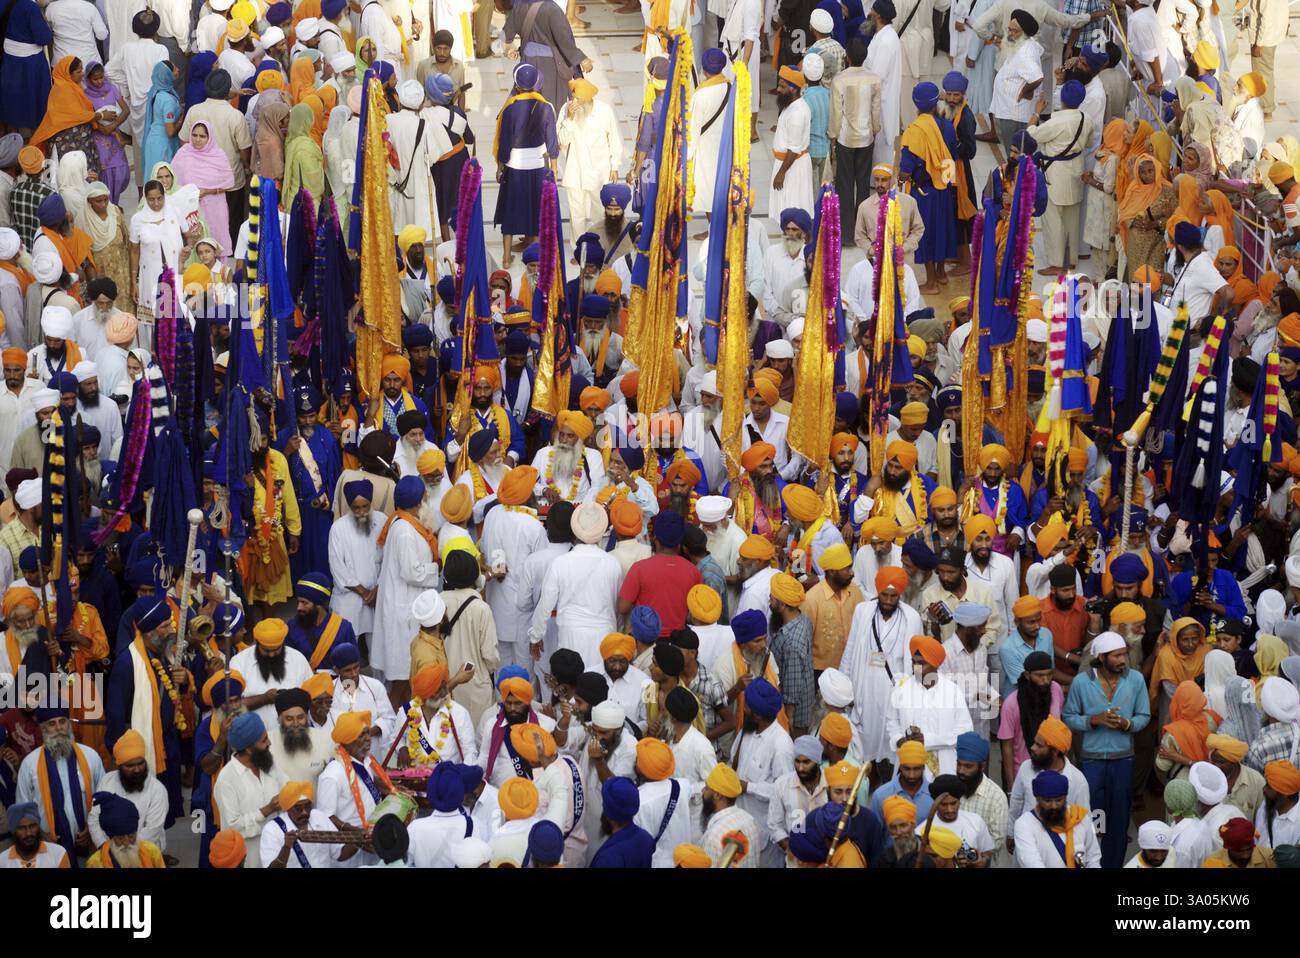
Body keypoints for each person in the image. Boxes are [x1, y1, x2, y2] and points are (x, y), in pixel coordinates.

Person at [556, 78, 622, 241]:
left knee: (599, 212)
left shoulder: (604, 111)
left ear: (588, 99)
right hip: (575, 170)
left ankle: (599, 246)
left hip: (599, 171)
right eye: (574, 98)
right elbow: (561, 141)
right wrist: (569, 119)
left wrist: (615, 165)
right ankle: (578, 247)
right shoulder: (567, 110)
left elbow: (614, 139)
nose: (575, 103)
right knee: (576, 214)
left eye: (579, 100)